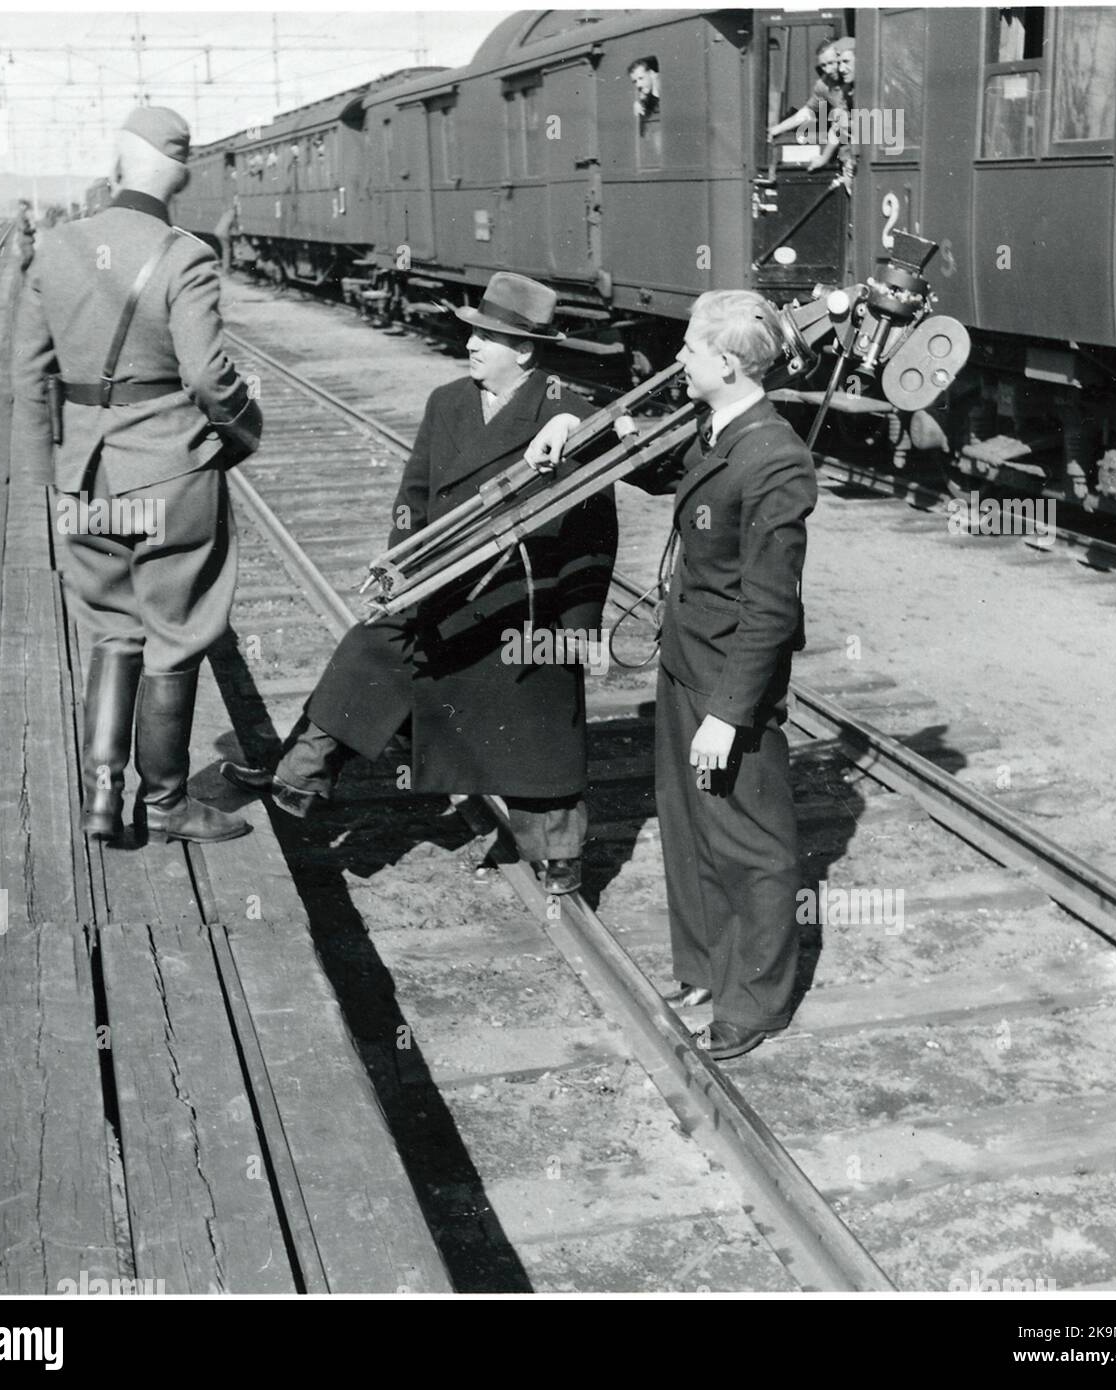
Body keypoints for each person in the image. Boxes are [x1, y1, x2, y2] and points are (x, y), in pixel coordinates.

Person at [222, 272, 617, 896]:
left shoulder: (565, 408)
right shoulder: (447, 402)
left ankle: (558, 852)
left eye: (489, 338)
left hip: (522, 601)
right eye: (474, 334)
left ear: (525, 351)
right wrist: (402, 568)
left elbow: (596, 517)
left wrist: (577, 628)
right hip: (438, 585)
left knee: (536, 716)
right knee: (370, 650)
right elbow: (411, 497)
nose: (472, 347)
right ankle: (297, 780)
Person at [526, 291, 817, 1059]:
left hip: (729, 678)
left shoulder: (774, 458)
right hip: (688, 656)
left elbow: (770, 609)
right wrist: (576, 426)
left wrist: (730, 714)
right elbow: (664, 468)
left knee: (747, 838)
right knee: (689, 822)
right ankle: (702, 969)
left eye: (689, 350)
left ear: (725, 364)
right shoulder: (719, 428)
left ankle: (755, 1000)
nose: (677, 361)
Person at [10, 105, 263, 845]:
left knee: (112, 633)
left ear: (120, 165)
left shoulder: (55, 247)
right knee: (176, 637)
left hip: (83, 480)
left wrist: (47, 481)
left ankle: (99, 799)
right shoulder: (184, 254)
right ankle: (164, 804)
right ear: (178, 172)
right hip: (167, 477)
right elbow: (210, 378)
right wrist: (242, 435)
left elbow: (27, 381)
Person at [769, 35, 856, 182]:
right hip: (848, 154)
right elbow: (808, 112)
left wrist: (824, 157)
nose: (828, 70)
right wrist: (777, 129)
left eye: (832, 63)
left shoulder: (852, 82)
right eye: (823, 65)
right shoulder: (823, 85)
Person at [15, 198, 36, 272]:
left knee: (30, 256)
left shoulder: (25, 214)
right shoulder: (20, 215)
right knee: (29, 256)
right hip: (23, 240)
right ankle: (23, 271)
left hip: (27, 239)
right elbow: (23, 228)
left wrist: (32, 228)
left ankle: (23, 271)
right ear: (20, 206)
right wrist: (32, 230)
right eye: (22, 205)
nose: (23, 207)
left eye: (24, 205)